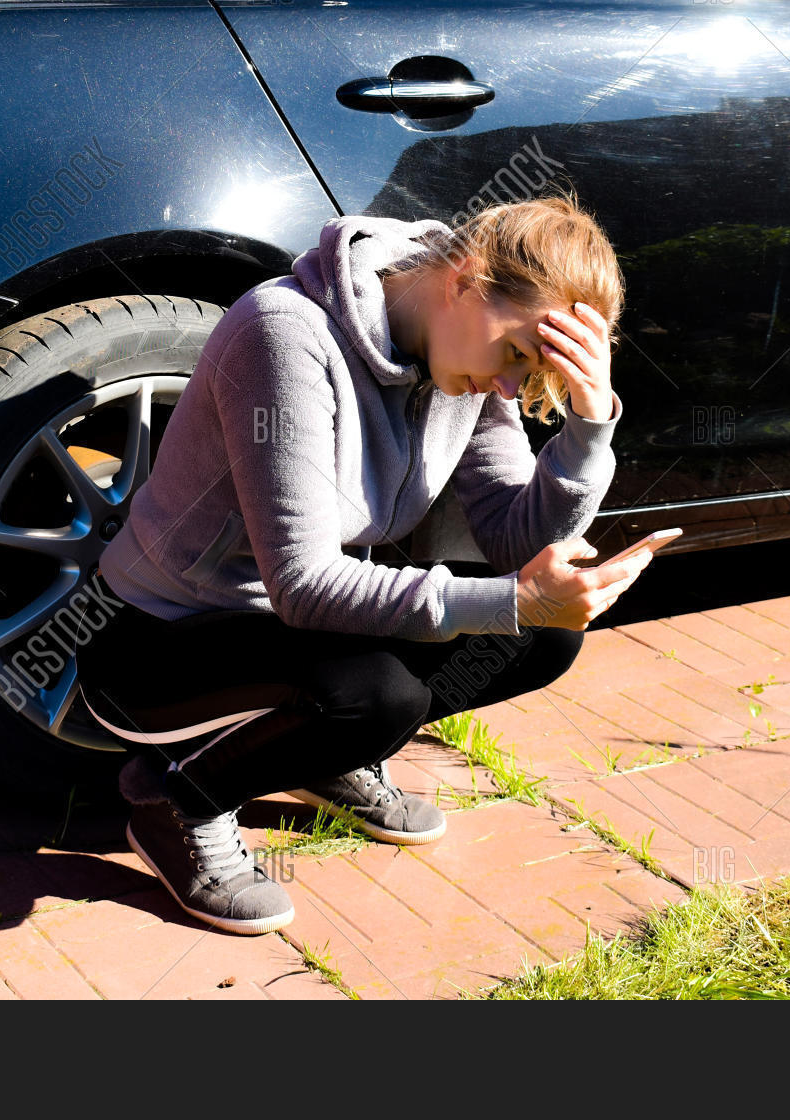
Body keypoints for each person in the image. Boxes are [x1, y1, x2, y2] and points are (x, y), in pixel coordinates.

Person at [80, 190, 657, 935]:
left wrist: (587, 428)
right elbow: (304, 585)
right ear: (465, 280)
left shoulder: (464, 356)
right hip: (155, 646)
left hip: (290, 640)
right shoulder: (283, 334)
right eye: (516, 354)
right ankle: (178, 799)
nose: (511, 386)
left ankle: (316, 755)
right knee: (381, 694)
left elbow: (516, 541)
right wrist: (513, 598)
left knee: (546, 636)